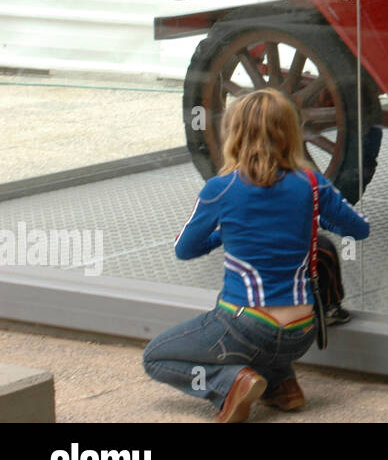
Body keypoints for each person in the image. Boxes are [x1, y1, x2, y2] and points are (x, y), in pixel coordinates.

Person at [143, 88, 371, 422]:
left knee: (155, 358)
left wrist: (223, 233)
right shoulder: (311, 184)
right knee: (263, 342)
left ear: (233, 135)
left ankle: (228, 383)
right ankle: (284, 387)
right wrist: (311, 215)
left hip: (245, 327)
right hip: (301, 331)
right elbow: (359, 229)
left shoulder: (220, 188)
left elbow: (184, 249)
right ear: (291, 133)